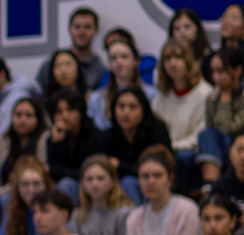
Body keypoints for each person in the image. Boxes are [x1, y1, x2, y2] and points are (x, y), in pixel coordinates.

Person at [151, 38, 213, 186]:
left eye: (178, 57)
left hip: (190, 155)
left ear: (188, 61)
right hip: (165, 152)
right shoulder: (159, 98)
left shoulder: (205, 94)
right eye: (168, 59)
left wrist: (173, 146)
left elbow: (201, 134)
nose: (173, 63)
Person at [88, 35, 159, 130]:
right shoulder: (96, 99)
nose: (119, 62)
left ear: (136, 61)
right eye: (113, 58)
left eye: (124, 57)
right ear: (109, 64)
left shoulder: (152, 94)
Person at [41, 90, 98, 200]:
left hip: (90, 186)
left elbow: (85, 173)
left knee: (67, 184)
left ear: (81, 112)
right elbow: (53, 176)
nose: (64, 116)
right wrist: (57, 144)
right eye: (59, 111)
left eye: (70, 110)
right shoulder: (54, 137)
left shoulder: (95, 136)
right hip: (62, 188)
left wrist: (53, 170)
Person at [34, 7, 106, 92]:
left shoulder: (100, 70)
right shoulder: (50, 66)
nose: (82, 31)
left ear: (96, 30)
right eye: (77, 26)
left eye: (87, 27)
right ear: (69, 29)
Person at [200, 47, 244, 183]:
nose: (215, 78)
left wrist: (225, 97)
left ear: (237, 70)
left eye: (221, 71)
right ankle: (211, 185)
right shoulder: (212, 98)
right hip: (219, 147)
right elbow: (211, 127)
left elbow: (228, 129)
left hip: (239, 144)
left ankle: (213, 185)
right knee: (204, 136)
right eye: (213, 72)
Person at [70, 155, 133, 235]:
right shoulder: (78, 216)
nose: (94, 184)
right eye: (89, 179)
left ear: (113, 181)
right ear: (82, 183)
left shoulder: (124, 213)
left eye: (100, 178)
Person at [0, 95, 44, 186]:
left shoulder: (44, 138)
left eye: (29, 115)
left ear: (38, 119)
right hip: (4, 192)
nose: (22, 120)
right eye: (18, 115)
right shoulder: (6, 140)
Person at [0, 157, 51, 235]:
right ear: (17, 187)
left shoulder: (54, 208)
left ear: (46, 184)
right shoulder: (9, 205)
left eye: (36, 183)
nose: (31, 190)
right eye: (24, 184)